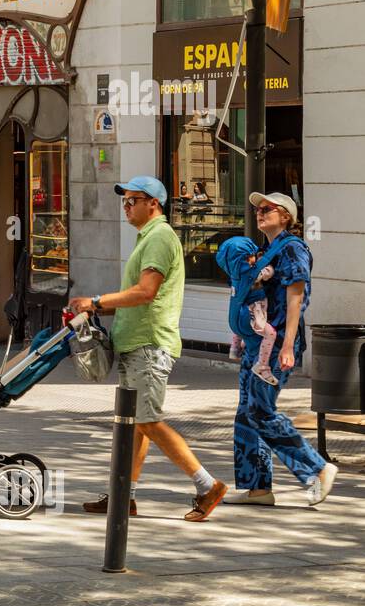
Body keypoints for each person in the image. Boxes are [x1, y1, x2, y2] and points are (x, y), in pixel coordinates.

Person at [70, 175, 228, 521]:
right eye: (124, 201)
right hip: (136, 343)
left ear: (153, 203)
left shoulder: (158, 239)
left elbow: (146, 292)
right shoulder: (147, 239)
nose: (126, 207)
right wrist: (97, 307)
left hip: (149, 344)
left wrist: (97, 302)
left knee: (148, 421)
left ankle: (207, 485)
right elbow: (136, 298)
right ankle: (124, 496)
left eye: (132, 200)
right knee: (135, 424)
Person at [225, 192, 337, 506]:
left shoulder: (292, 248)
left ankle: (317, 468)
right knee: (247, 411)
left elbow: (296, 298)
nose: (259, 213)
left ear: (285, 216)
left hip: (277, 344)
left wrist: (288, 345)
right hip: (258, 343)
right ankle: (258, 488)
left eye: (267, 209)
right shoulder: (265, 250)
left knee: (261, 410)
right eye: (257, 210)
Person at [216, 236, 278, 382]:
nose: (254, 258)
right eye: (252, 256)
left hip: (236, 318)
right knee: (270, 334)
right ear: (245, 258)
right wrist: (267, 263)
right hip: (252, 313)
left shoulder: (234, 274)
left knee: (241, 331)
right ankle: (262, 366)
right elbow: (269, 272)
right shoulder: (251, 274)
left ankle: (235, 349)